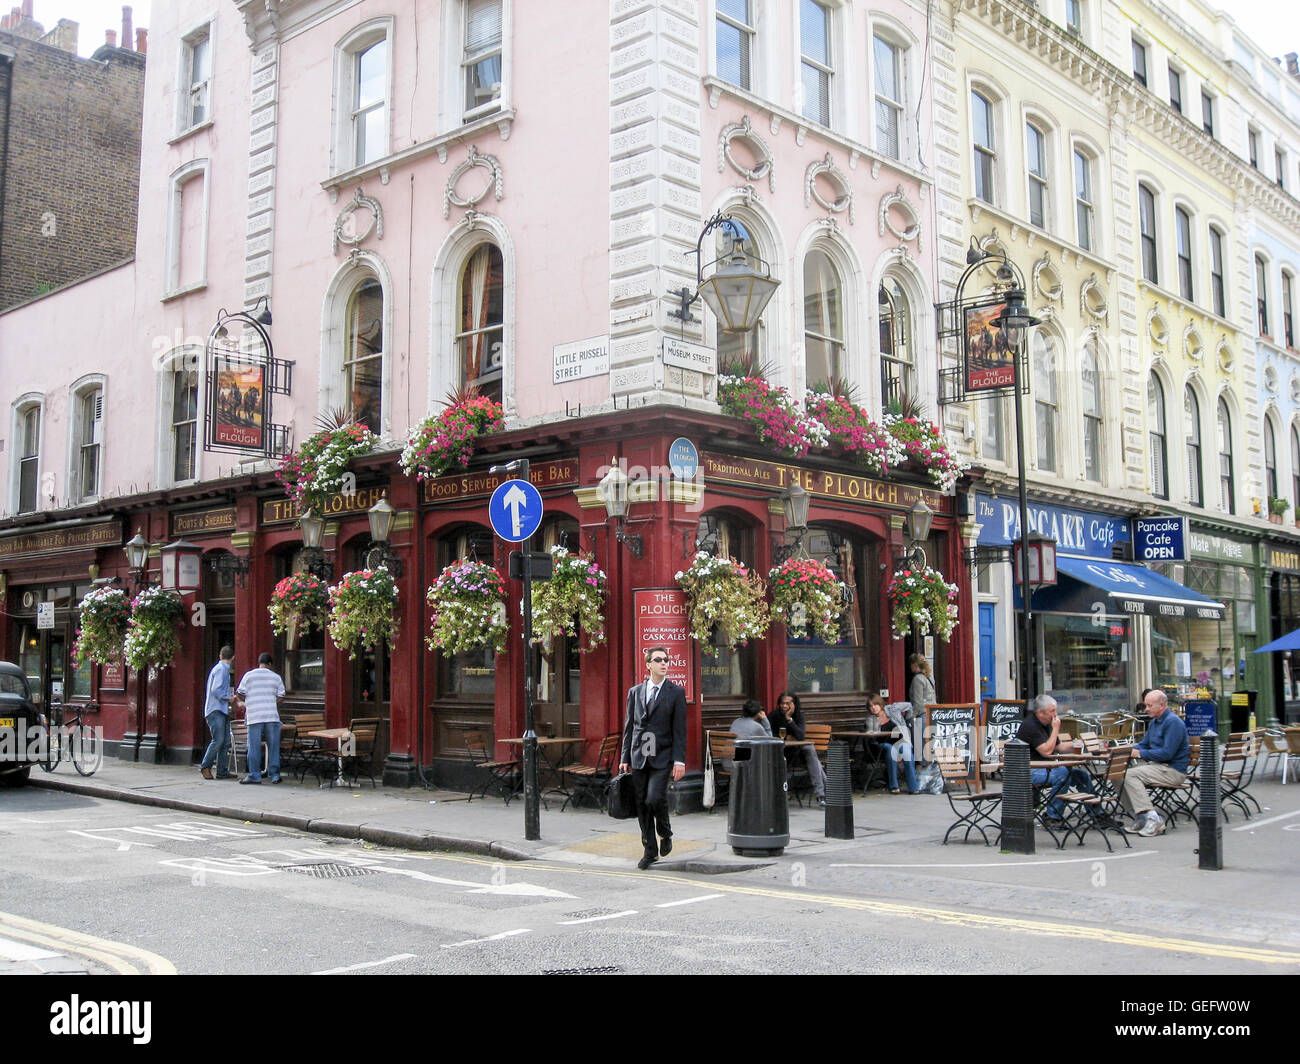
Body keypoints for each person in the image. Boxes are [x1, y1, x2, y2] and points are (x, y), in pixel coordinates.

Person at [619, 646, 687, 870]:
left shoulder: (675, 693)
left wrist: (679, 761)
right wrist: (625, 756)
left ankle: (665, 833)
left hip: (663, 755)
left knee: (653, 798)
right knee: (641, 804)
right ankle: (649, 851)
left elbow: (679, 730)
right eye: (658, 660)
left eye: (666, 660)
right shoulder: (635, 692)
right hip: (640, 755)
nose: (663, 663)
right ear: (648, 664)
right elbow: (629, 727)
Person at [1121, 687, 1189, 836]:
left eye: (1150, 706)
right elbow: (1144, 744)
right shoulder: (1155, 721)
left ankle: (1153, 818)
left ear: (1162, 705)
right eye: (1146, 705)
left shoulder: (1173, 722)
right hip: (1158, 767)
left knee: (1130, 775)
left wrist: (1139, 753)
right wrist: (1126, 750)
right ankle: (1140, 816)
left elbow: (1167, 753)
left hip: (1172, 770)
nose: (1146, 709)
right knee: (1117, 774)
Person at [1016, 694, 1095, 821]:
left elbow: (1058, 747)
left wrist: (1078, 744)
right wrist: (1056, 729)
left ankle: (1097, 814)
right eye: (1052, 711)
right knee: (1062, 774)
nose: (1055, 714)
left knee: (1082, 775)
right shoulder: (1030, 725)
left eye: (1055, 710)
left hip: (1047, 768)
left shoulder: (1046, 723)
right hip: (1029, 770)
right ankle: (1052, 816)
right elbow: (1046, 752)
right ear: (1040, 712)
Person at [770, 690, 827, 806]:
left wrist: (789, 720)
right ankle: (824, 792)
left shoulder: (799, 716)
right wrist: (786, 737)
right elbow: (768, 733)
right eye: (782, 703)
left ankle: (821, 794)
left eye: (788, 703)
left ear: (794, 704)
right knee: (812, 754)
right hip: (782, 753)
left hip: (798, 753)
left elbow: (801, 736)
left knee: (809, 748)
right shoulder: (774, 715)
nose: (785, 706)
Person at [237, 652, 286, 785]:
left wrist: (250, 700)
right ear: (270, 664)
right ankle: (274, 774)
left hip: (254, 715)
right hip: (271, 715)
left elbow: (240, 694)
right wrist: (270, 702)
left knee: (253, 746)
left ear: (259, 663)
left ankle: (255, 775)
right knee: (273, 746)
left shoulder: (249, 675)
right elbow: (281, 696)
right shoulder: (276, 677)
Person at [198, 645, 236, 780]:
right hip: (216, 710)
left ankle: (222, 771)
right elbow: (216, 689)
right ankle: (205, 766)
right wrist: (229, 698)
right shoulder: (222, 670)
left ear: (220, 656)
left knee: (225, 741)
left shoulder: (220, 668)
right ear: (233, 657)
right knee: (219, 740)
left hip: (220, 710)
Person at [868, 694, 918, 794]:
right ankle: (894, 786)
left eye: (876, 704)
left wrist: (908, 721)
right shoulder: (871, 719)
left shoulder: (892, 709)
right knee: (891, 750)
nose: (873, 708)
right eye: (871, 706)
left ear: (881, 704)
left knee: (907, 753)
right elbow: (871, 735)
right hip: (883, 743)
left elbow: (909, 705)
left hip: (901, 740)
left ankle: (913, 787)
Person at [909, 653, 936, 723]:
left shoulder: (917, 679)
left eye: (910, 664)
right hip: (933, 713)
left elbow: (918, 702)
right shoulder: (929, 677)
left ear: (915, 665)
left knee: (920, 734)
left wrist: (912, 717)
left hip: (923, 715)